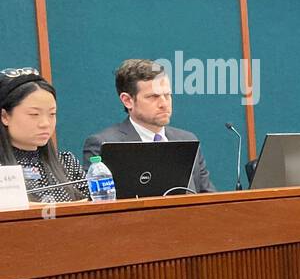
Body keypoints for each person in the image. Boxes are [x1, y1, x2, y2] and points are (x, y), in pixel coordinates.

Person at [83, 59, 215, 193]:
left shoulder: (187, 140)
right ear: (127, 101)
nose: (164, 104)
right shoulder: (104, 144)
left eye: (167, 95)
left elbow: (209, 200)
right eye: (153, 97)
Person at [0, 68, 88, 202]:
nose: (45, 123)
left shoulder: (66, 162)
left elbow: (93, 207)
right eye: (34, 114)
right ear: (5, 116)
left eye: (52, 114)